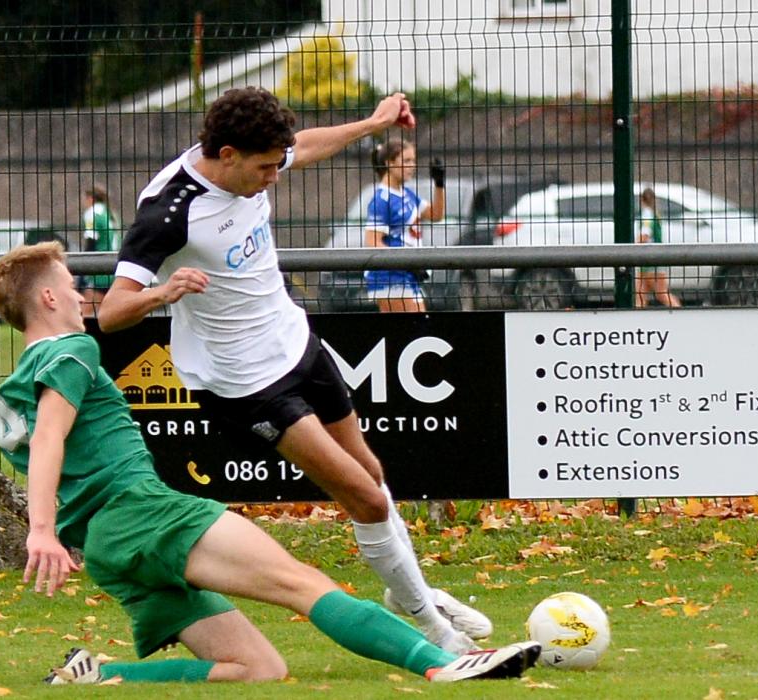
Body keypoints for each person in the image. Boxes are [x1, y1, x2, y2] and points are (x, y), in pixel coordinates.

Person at [0, 242, 540, 685]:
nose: (82, 295)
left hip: (107, 546)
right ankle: (442, 663)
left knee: (257, 669)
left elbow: (43, 443)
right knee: (302, 583)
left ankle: (101, 676)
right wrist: (40, 531)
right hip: (140, 515)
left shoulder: (15, 388)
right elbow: (51, 439)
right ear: (48, 299)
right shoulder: (73, 351)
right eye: (71, 285)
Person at [97, 87, 493, 654]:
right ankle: (435, 630)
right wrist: (165, 292)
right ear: (227, 154)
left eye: (274, 165)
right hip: (244, 383)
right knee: (365, 499)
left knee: (372, 475)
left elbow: (302, 148)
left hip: (295, 342)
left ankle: (410, 592)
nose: (273, 177)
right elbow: (111, 313)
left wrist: (373, 122)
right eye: (264, 167)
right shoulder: (169, 212)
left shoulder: (252, 161)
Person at [364, 138, 446, 313]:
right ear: (389, 163)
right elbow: (373, 242)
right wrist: (405, 261)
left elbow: (436, 215)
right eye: (406, 161)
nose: (412, 166)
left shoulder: (407, 194)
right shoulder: (382, 199)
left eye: (413, 161)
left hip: (408, 275)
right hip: (390, 278)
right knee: (410, 327)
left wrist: (439, 184)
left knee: (419, 326)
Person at [635, 186, 681, 308]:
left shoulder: (647, 214)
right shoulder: (655, 214)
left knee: (660, 294)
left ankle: (678, 311)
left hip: (649, 259)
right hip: (650, 258)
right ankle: (638, 316)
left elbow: (645, 235)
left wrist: (633, 247)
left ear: (641, 199)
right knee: (640, 294)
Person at [79, 185, 121, 315]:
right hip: (112, 267)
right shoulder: (109, 213)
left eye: (84, 199)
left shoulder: (92, 213)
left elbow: (91, 241)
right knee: (109, 313)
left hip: (99, 271)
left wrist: (83, 267)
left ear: (90, 198)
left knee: (83, 313)